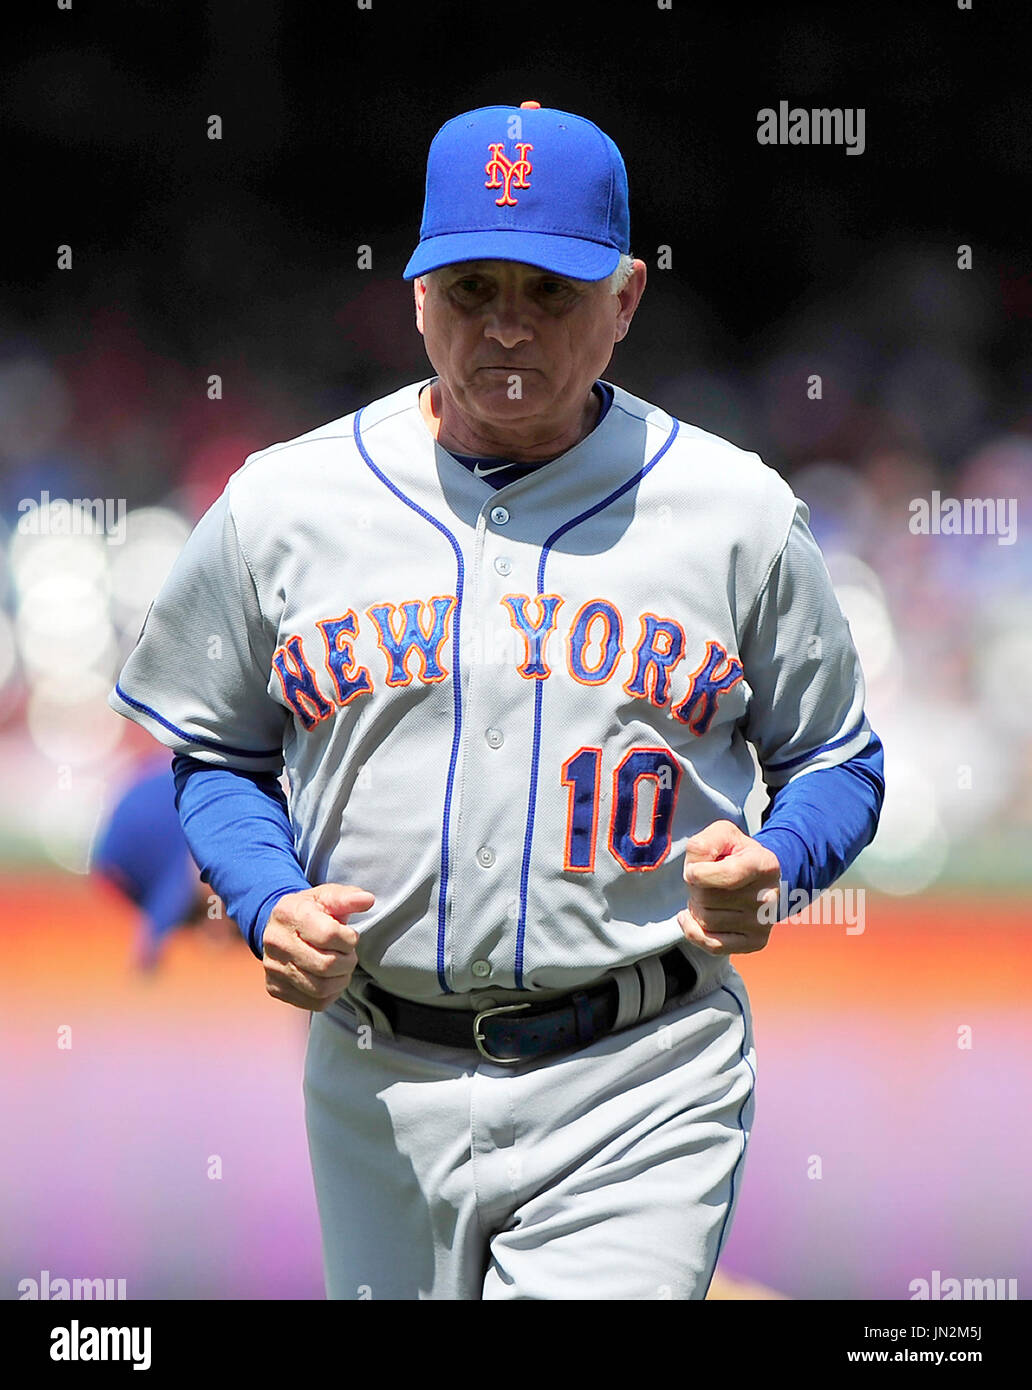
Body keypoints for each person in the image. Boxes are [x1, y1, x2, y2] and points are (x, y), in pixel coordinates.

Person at [109, 101, 884, 1300]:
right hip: (376, 1075)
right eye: (472, 289)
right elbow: (215, 753)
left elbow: (838, 758)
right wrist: (264, 899)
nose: (507, 325)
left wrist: (780, 859)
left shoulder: (737, 514)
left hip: (644, 1066)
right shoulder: (283, 503)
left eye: (551, 291)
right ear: (418, 296)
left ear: (625, 301)